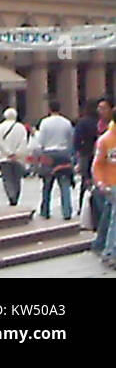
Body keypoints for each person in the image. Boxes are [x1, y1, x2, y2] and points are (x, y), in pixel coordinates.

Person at [36, 99, 75, 221]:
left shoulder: (44, 122)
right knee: (65, 184)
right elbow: (70, 140)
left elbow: (40, 141)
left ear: (49, 109)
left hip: (48, 153)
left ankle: (45, 210)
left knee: (47, 184)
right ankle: (67, 211)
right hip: (63, 153)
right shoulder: (66, 122)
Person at [91, 114, 116, 264]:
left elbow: (97, 164)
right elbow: (98, 164)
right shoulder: (107, 140)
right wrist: (100, 182)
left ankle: (104, 246)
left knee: (111, 216)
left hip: (109, 184)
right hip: (112, 184)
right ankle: (110, 251)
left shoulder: (105, 139)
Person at [0, 107, 29, 207]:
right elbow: (24, 142)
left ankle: (11, 195)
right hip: (18, 159)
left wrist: (8, 152)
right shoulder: (21, 127)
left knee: (7, 179)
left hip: (4, 158)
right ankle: (16, 196)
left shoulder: (0, 127)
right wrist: (17, 153)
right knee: (17, 179)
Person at [75, 99, 103, 214]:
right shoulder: (99, 122)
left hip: (85, 153)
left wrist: (79, 151)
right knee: (99, 180)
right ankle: (98, 206)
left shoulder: (83, 122)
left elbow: (76, 139)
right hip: (99, 153)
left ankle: (83, 207)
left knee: (85, 180)